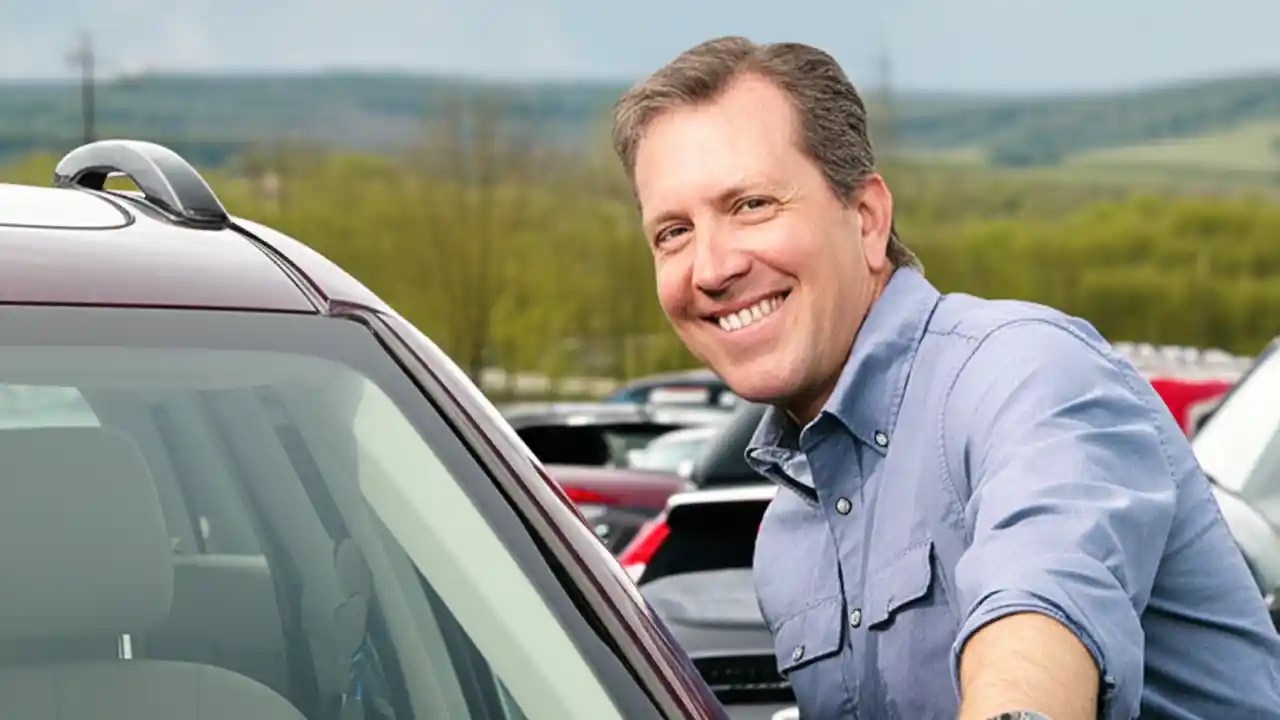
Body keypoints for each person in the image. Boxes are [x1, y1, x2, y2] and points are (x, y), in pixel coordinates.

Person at [611, 36, 1280, 720]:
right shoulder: (789, 536)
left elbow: (1040, 618)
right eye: (672, 233)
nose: (712, 267)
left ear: (868, 218)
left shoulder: (1024, 375)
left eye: (751, 205)